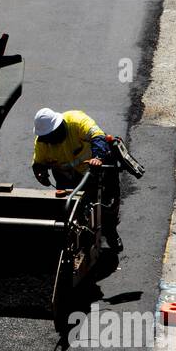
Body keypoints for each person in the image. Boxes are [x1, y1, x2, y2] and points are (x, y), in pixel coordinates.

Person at [31, 107, 122, 252]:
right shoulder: (43, 141)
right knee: (69, 207)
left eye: (51, 138)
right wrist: (40, 173)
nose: (49, 142)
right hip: (67, 175)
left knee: (107, 203)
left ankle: (111, 232)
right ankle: (75, 240)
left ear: (59, 128)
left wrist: (97, 158)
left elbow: (98, 136)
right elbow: (38, 163)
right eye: (46, 139)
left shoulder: (76, 121)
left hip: (94, 168)